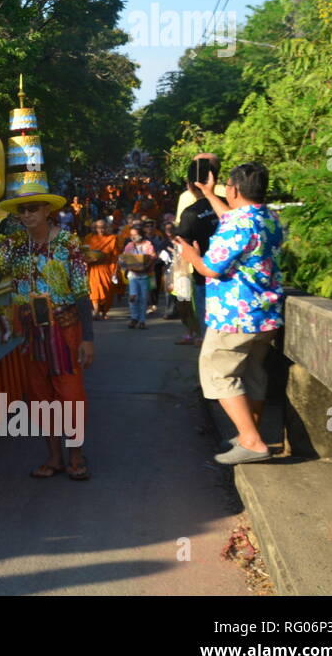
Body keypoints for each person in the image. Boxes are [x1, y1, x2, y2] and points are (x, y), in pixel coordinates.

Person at [0, 191, 95, 481]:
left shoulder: (68, 243)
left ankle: (76, 456)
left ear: (46, 211)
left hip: (65, 328)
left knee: (70, 395)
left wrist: (88, 338)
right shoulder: (16, 245)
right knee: (40, 396)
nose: (27, 215)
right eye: (22, 211)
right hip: (30, 330)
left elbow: (81, 292)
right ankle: (54, 458)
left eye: (32, 209)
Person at [175, 163, 285, 465]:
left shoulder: (238, 224)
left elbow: (211, 268)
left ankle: (252, 441)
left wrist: (192, 255)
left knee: (218, 372)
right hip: (265, 313)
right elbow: (235, 220)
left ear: (234, 190)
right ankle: (251, 432)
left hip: (235, 313)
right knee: (252, 373)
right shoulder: (269, 217)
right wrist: (210, 195)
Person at [119, 225, 156, 329]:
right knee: (133, 297)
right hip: (133, 276)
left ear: (141, 235)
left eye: (135, 234)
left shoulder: (147, 244)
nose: (133, 237)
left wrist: (146, 266)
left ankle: (142, 320)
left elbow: (153, 257)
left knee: (143, 298)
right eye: (131, 235)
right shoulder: (129, 246)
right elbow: (124, 258)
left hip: (145, 275)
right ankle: (134, 318)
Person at [82, 219, 120, 320]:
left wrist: (115, 269)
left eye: (103, 227)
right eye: (98, 227)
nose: (101, 230)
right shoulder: (89, 238)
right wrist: (87, 260)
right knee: (94, 289)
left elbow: (115, 255)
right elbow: (84, 252)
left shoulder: (112, 238)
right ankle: (95, 310)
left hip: (106, 267)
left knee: (107, 290)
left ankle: (104, 311)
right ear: (94, 228)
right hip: (93, 267)